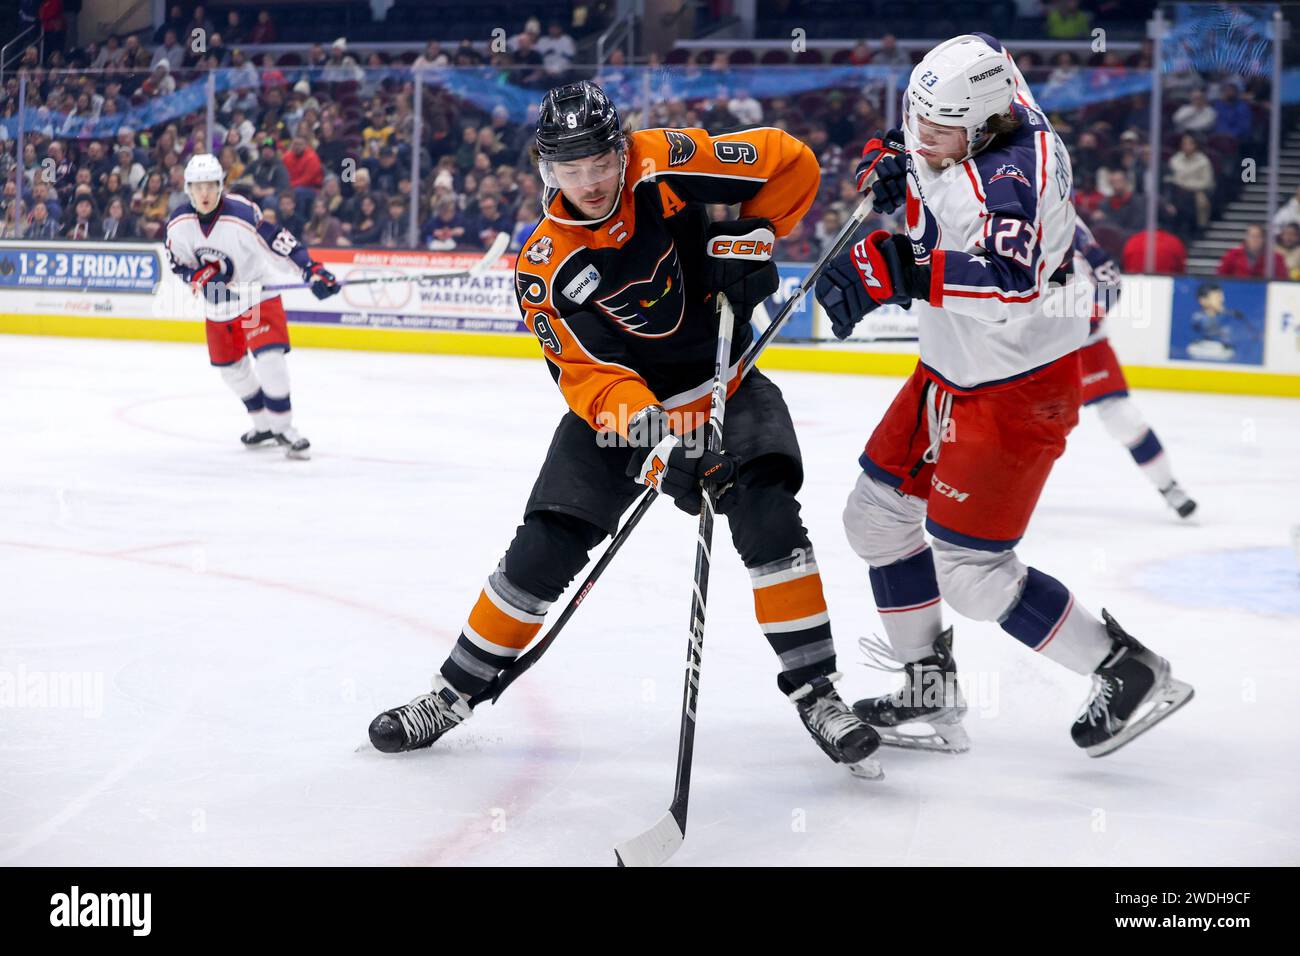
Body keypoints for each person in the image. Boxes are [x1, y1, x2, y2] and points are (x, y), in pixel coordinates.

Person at [367, 80, 883, 775]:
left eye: (600, 163)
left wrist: (755, 233)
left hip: (722, 382)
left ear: (621, 149)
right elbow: (594, 382)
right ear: (548, 170)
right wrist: (661, 450)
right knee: (546, 545)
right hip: (628, 416)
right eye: (570, 170)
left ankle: (818, 693)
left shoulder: (665, 158)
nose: (588, 182)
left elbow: (789, 162)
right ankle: (452, 693)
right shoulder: (545, 269)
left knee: (768, 518)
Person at [818, 34, 1193, 758]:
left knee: (973, 574)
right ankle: (929, 689)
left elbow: (1010, 285)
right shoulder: (976, 98)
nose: (923, 136)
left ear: (986, 128)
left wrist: (899, 271)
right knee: (875, 520)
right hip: (955, 366)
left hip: (1016, 383)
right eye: (916, 119)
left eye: (939, 132)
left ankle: (1127, 670)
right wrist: (892, 157)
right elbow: (929, 121)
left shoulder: (1010, 181)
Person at [164, 154, 340, 459]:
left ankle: (285, 428)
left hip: (256, 293)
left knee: (270, 359)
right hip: (219, 306)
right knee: (231, 370)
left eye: (210, 186)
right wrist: (200, 280)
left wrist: (309, 268)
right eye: (197, 187)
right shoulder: (179, 224)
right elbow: (177, 262)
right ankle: (263, 425)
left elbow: (278, 241)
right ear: (188, 189)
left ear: (220, 186)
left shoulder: (242, 214)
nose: (203, 194)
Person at [1073, 220, 1197, 517]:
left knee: (1122, 417)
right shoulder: (995, 211)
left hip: (1085, 343)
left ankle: (1168, 486)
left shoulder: (1069, 224)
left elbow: (1110, 282)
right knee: (1017, 421)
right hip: (1029, 343)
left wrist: (1086, 318)